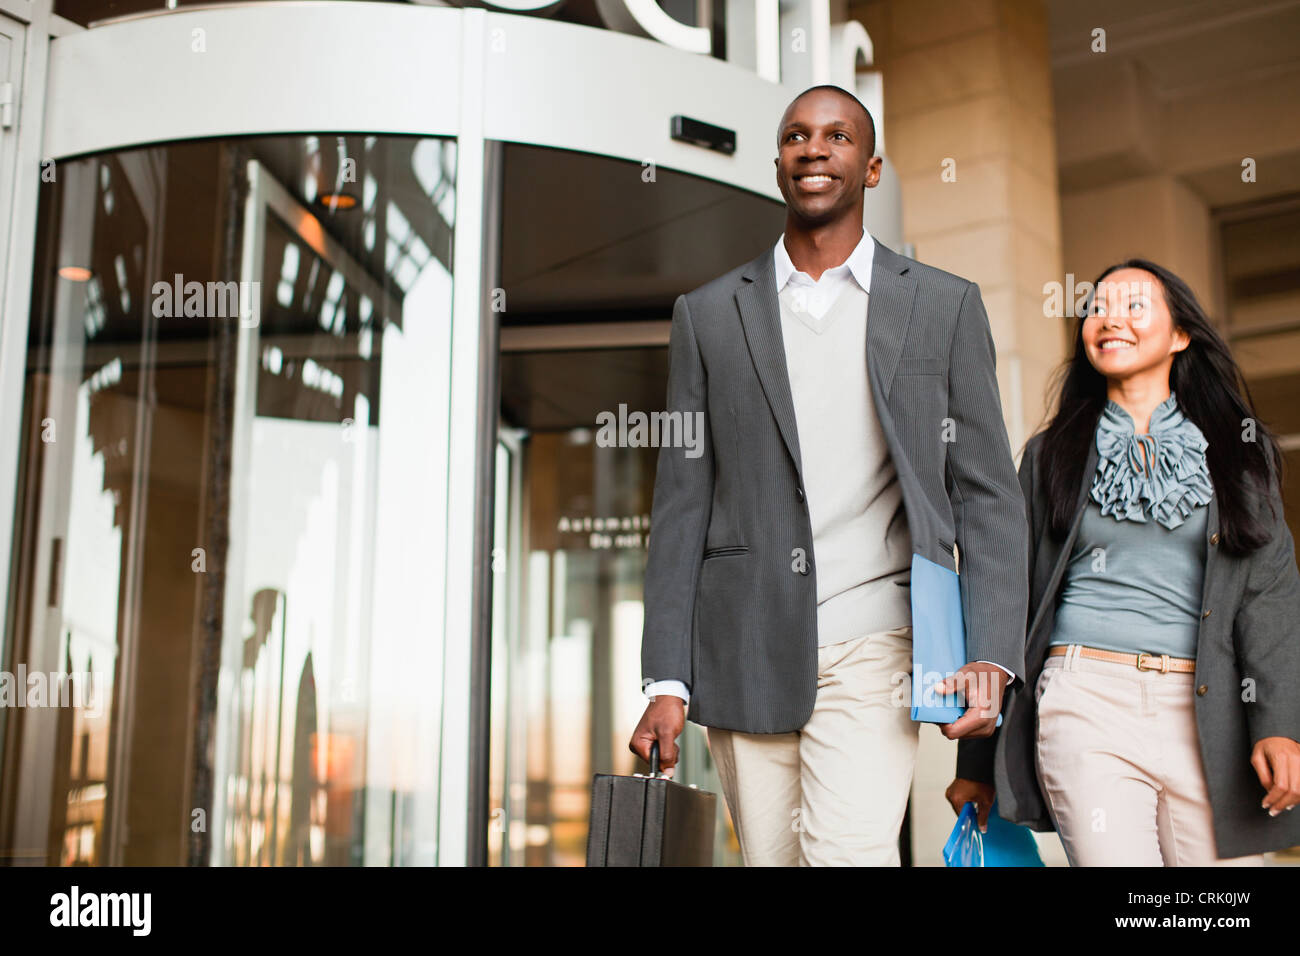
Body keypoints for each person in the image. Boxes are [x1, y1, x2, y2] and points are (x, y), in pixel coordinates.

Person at [628, 84, 1028, 866]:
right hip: (744, 645)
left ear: (871, 167)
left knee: (847, 853)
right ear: (778, 161)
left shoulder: (944, 307)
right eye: (796, 136)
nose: (814, 149)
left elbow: (986, 493)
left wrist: (992, 652)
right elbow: (681, 503)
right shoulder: (708, 314)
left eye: (838, 136)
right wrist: (665, 679)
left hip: (881, 638)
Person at [948, 259, 1300, 865]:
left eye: (1135, 305)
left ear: (1181, 334)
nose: (1109, 319)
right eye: (1098, 307)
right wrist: (976, 762)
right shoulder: (1049, 454)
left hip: (1207, 708)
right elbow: (1010, 595)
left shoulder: (1241, 454)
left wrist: (1280, 723)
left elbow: (1269, 595)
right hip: (1084, 700)